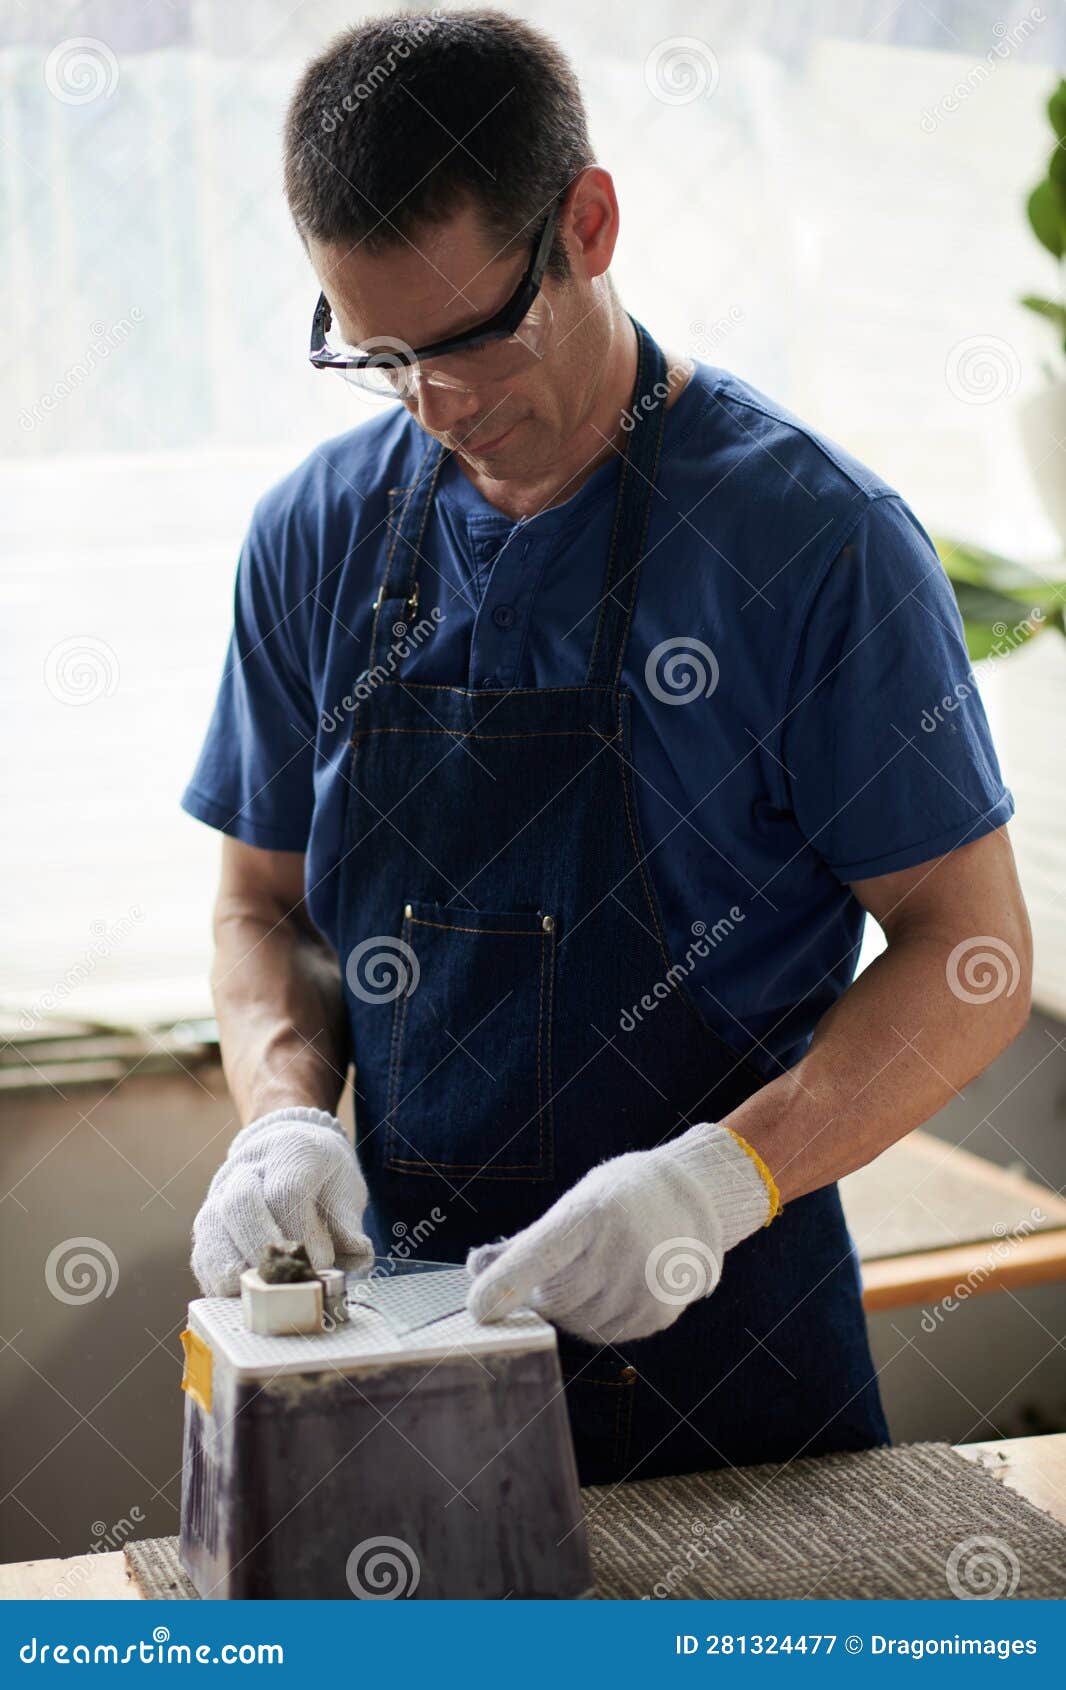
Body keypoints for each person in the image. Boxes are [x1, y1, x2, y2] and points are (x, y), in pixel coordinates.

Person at [182, 10, 1031, 1484]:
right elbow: (263, 902)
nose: (438, 405)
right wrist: (278, 1119)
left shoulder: (811, 543)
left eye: (468, 338)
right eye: (379, 355)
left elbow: (973, 951)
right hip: (404, 1359)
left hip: (740, 1375)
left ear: (587, 221)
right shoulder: (313, 537)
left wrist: (722, 1176)